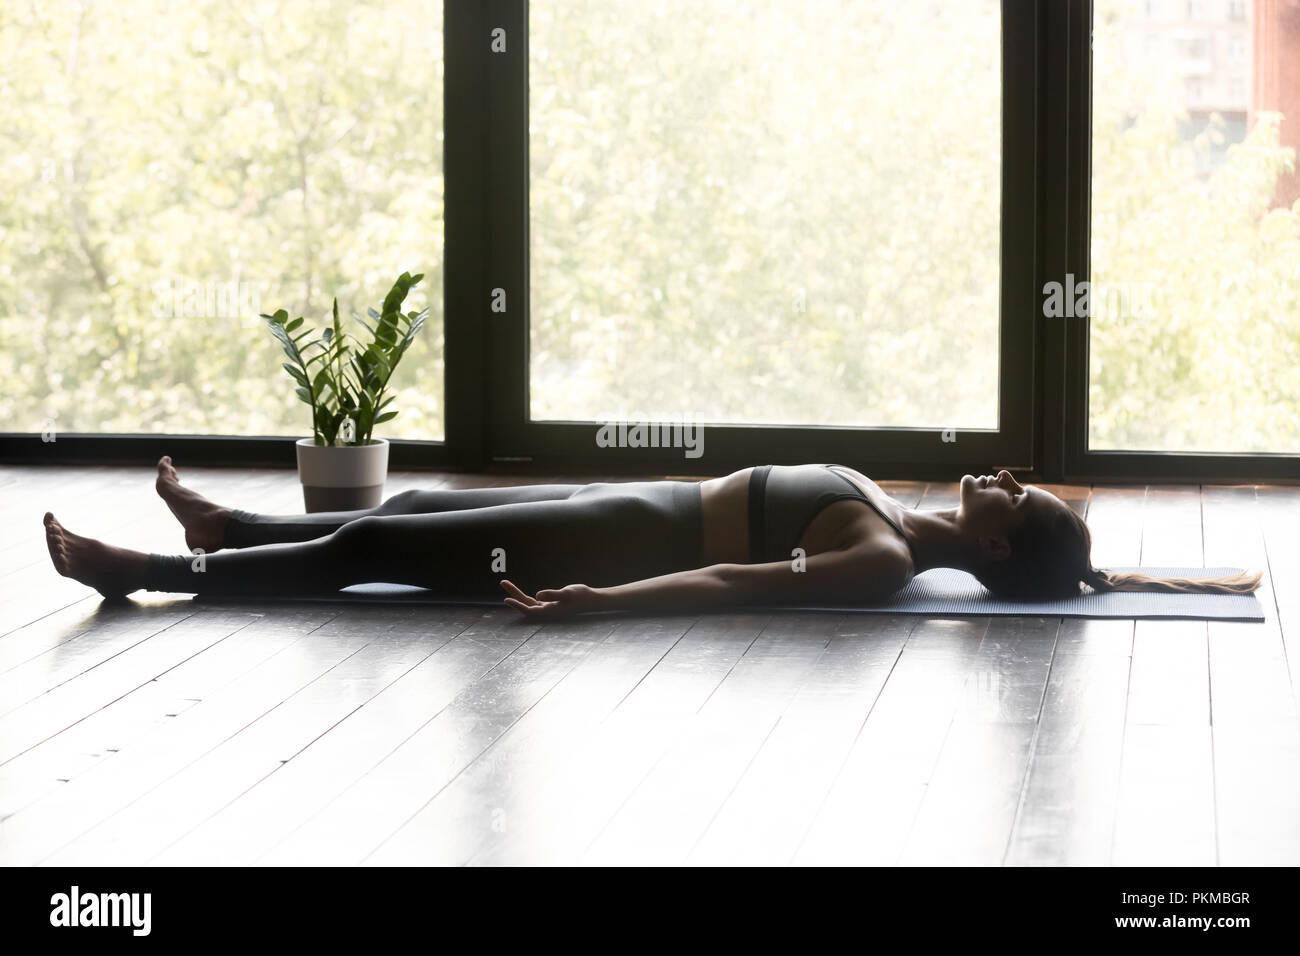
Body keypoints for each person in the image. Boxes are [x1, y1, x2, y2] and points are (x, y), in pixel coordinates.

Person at [43, 456, 1261, 617]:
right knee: (405, 509)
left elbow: (737, 575)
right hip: (606, 502)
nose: (1001, 476)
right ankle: (231, 521)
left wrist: (593, 605)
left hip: (603, 545)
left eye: (1018, 498)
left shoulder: (884, 556)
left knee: (375, 553)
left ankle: (149, 572)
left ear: (996, 549)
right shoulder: (897, 509)